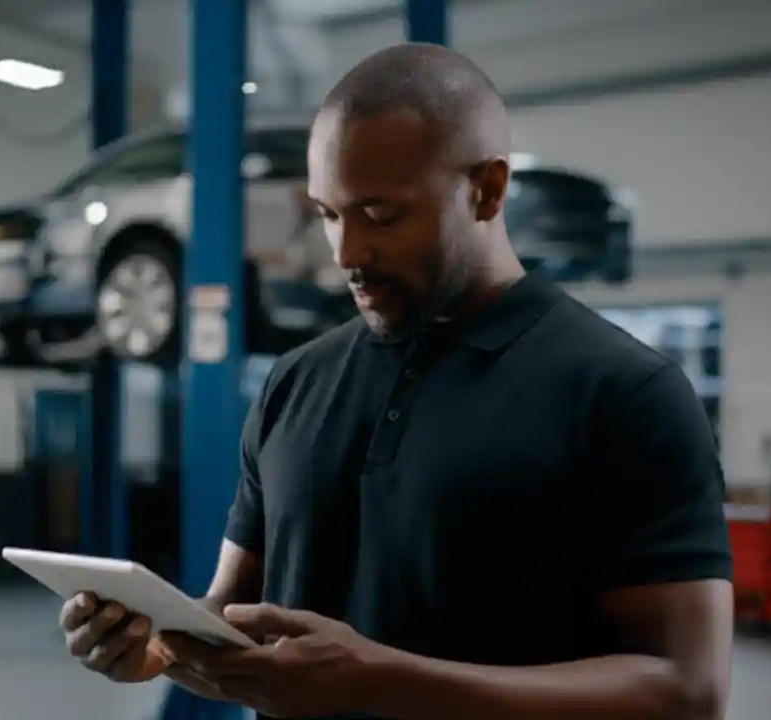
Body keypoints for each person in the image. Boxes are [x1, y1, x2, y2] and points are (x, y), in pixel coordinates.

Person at [60, 42, 733, 720]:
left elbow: (686, 692)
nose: (348, 252)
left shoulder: (626, 395)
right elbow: (231, 615)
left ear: (487, 189)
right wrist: (156, 646)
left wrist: (384, 681)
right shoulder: (294, 384)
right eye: (328, 214)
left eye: (380, 216)